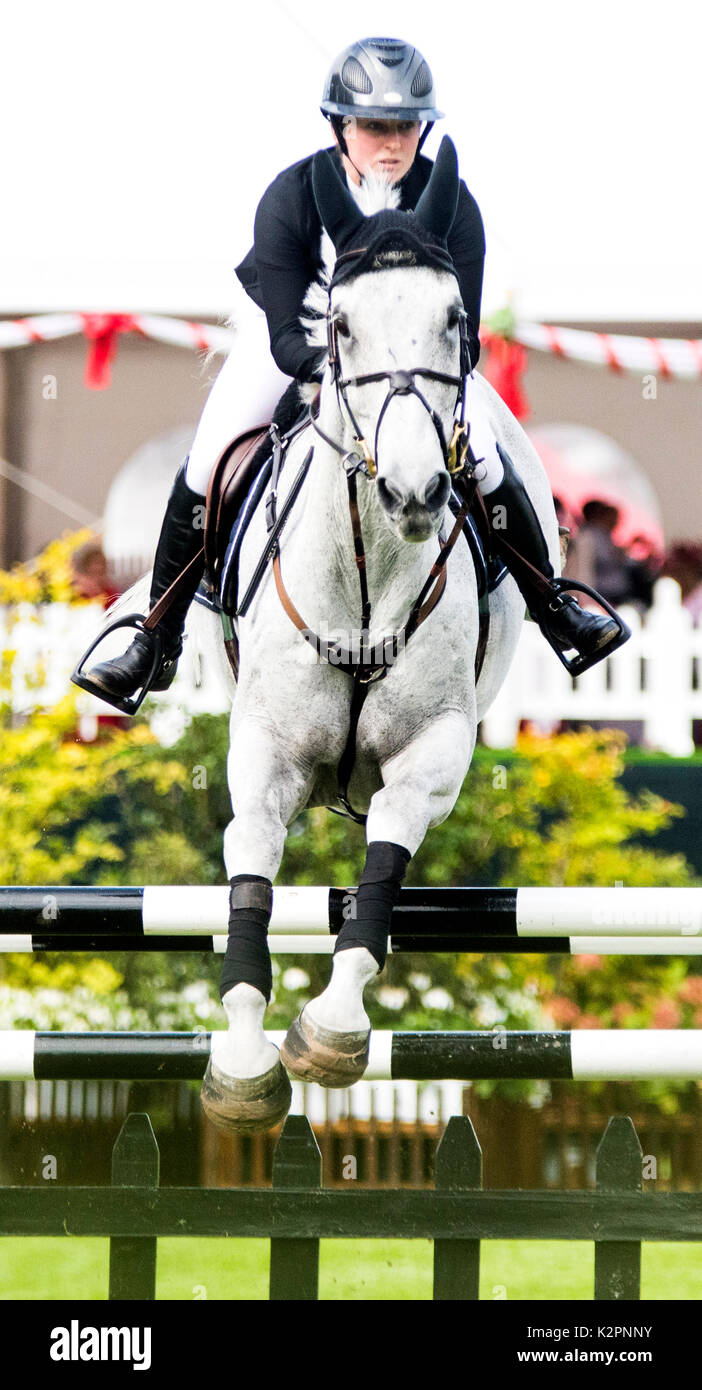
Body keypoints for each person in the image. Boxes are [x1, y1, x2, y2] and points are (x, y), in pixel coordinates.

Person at [81, 36, 622, 708]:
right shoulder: (292, 196)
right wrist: (341, 376)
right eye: (374, 126)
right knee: (211, 458)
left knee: (483, 452)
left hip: (418, 363)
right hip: (300, 344)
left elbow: (464, 338)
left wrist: (414, 381)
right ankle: (154, 637)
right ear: (340, 125)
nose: (391, 143)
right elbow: (285, 337)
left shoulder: (451, 203)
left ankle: (553, 604)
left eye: (405, 127)